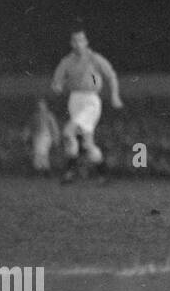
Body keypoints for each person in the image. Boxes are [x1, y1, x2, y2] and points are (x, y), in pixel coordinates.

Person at [50, 26, 123, 183]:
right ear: (71, 42)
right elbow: (57, 81)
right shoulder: (67, 61)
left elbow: (111, 76)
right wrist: (57, 86)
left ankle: (70, 172)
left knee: (69, 131)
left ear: (86, 41)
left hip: (91, 100)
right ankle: (103, 175)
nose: (78, 43)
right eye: (75, 40)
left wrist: (115, 96)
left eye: (81, 39)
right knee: (86, 142)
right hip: (75, 100)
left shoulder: (94, 58)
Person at [25, 98, 61, 175]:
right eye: (39, 105)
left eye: (42, 105)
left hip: (46, 135)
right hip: (37, 136)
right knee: (38, 152)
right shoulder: (35, 116)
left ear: (45, 106)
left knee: (42, 152)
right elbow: (30, 127)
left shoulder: (49, 115)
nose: (40, 106)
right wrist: (26, 135)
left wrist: (56, 137)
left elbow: (54, 127)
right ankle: (43, 169)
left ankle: (42, 169)